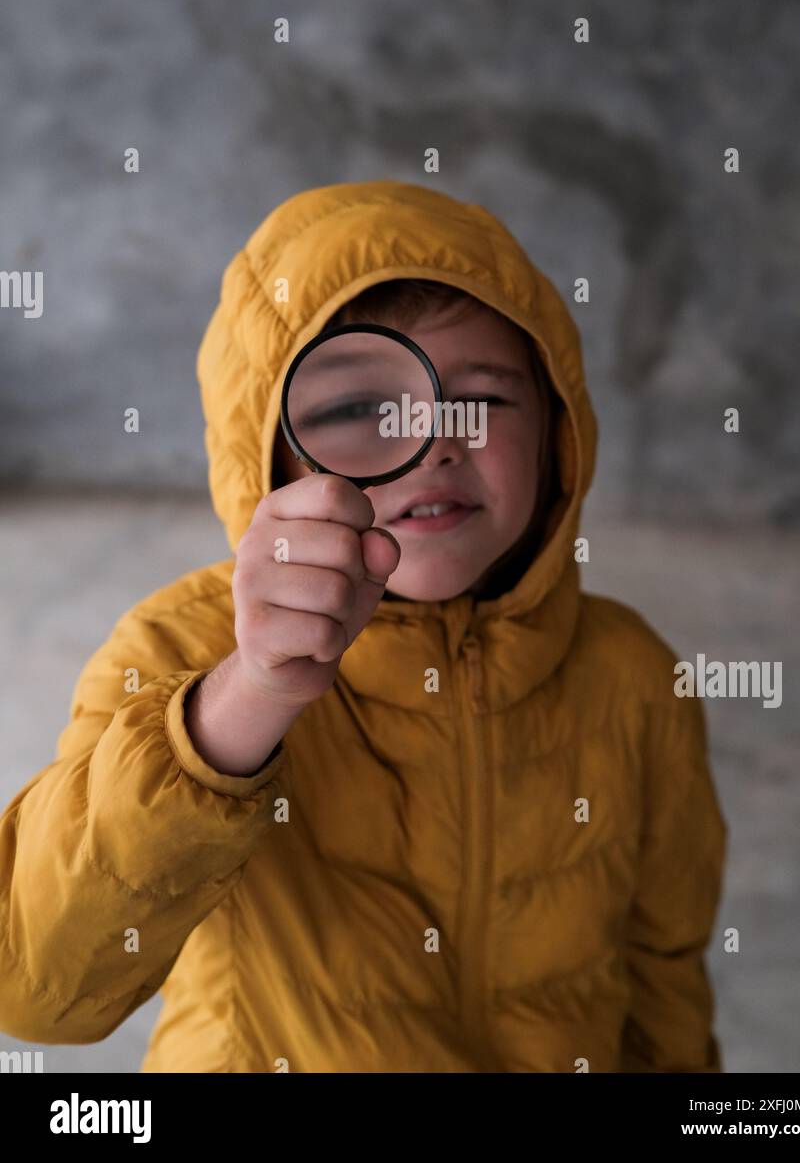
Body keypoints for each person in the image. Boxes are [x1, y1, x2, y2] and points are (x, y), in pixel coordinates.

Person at [0, 179, 728, 1072]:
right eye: (355, 410)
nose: (435, 442)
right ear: (268, 459)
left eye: (483, 400)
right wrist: (244, 701)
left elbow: (664, 973)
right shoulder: (180, 651)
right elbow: (40, 991)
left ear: (559, 431)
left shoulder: (636, 677)